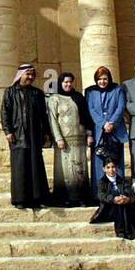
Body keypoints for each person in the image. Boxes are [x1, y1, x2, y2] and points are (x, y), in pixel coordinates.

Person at [1, 62, 51, 209]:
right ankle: (20, 199)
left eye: (32, 75)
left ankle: (38, 198)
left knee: (36, 166)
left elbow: (43, 116)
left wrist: (46, 133)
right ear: (20, 75)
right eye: (27, 74)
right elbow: (5, 112)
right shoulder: (10, 92)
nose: (30, 77)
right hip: (18, 135)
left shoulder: (37, 93)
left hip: (34, 136)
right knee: (20, 167)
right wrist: (8, 131)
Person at [46, 71, 94, 206]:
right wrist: (58, 138)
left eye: (70, 82)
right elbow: (53, 120)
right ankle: (66, 198)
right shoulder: (54, 99)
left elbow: (86, 117)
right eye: (65, 82)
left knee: (79, 170)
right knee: (66, 171)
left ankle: (81, 197)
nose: (68, 84)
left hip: (79, 140)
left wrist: (89, 134)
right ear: (61, 83)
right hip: (64, 141)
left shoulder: (78, 97)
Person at [85, 66, 128, 195]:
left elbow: (121, 107)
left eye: (105, 79)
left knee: (117, 162)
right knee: (99, 163)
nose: (102, 82)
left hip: (115, 131)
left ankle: (118, 191)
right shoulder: (91, 92)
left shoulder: (117, 90)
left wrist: (112, 123)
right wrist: (103, 124)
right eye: (99, 79)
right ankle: (99, 193)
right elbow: (91, 110)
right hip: (99, 132)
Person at [90, 149, 135, 240]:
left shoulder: (123, 181)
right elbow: (101, 196)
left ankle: (127, 231)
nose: (111, 170)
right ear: (104, 169)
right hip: (109, 209)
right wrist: (113, 199)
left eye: (113, 167)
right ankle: (121, 231)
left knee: (123, 203)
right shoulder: (102, 182)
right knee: (118, 203)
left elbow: (131, 194)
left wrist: (127, 199)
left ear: (116, 168)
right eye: (108, 167)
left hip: (124, 207)